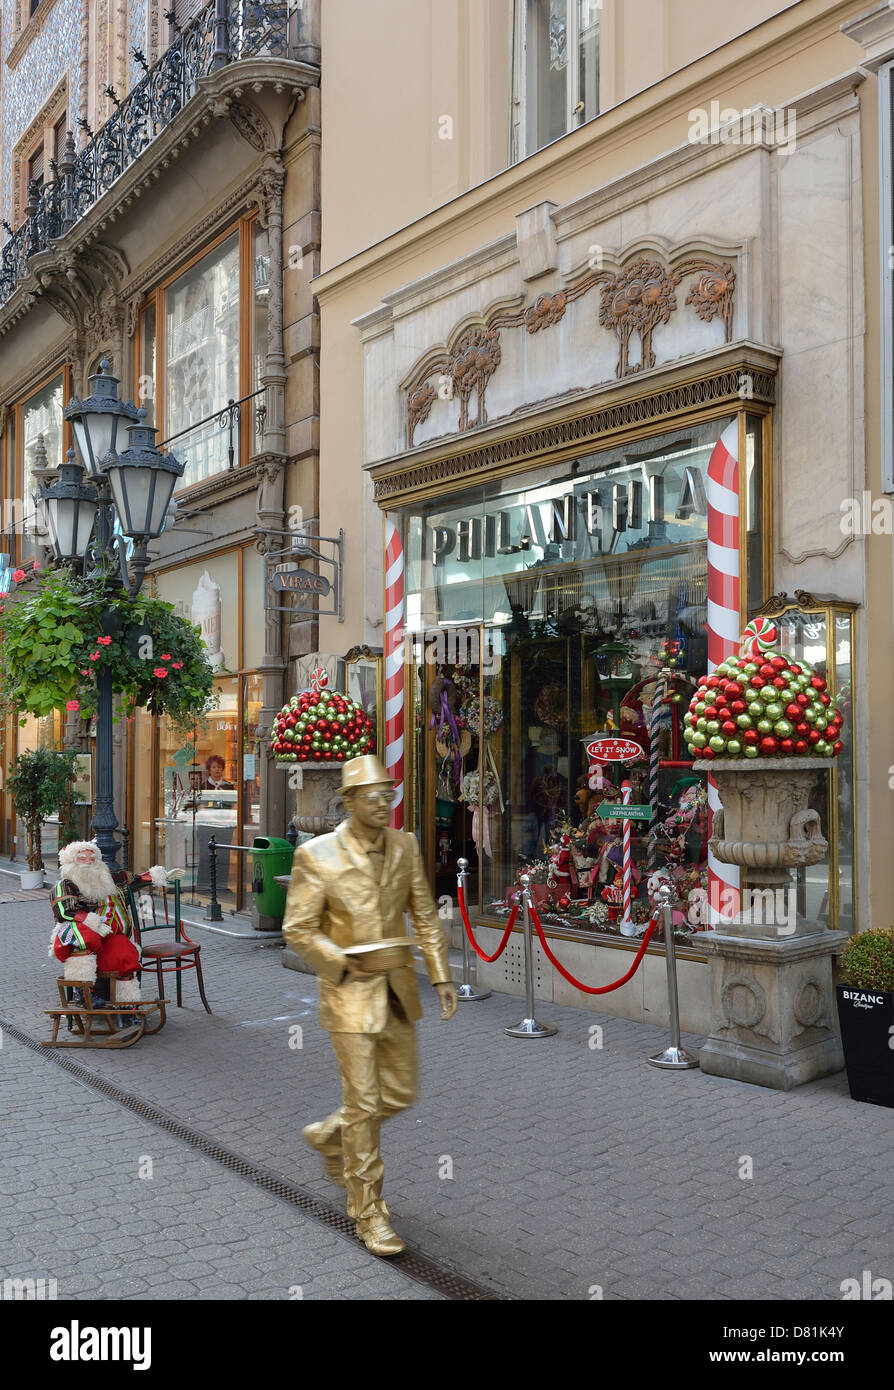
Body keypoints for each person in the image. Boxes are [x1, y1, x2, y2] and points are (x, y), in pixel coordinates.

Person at [282, 754, 458, 1257]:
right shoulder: (317, 855)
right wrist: (339, 963)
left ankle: (327, 1134)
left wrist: (441, 975)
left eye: (389, 794)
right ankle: (369, 1212)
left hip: (398, 989)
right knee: (363, 1106)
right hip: (348, 994)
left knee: (400, 1095)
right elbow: (298, 929)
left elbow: (424, 915)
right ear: (351, 801)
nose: (384, 803)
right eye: (374, 795)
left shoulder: (406, 845)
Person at [49, 841, 169, 1006]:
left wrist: (156, 875)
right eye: (82, 858)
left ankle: (126, 1002)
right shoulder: (65, 885)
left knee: (125, 952)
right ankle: (83, 993)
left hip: (109, 935)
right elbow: (64, 911)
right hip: (73, 936)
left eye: (92, 858)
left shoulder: (110, 878)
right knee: (86, 935)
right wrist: (93, 922)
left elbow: (136, 879)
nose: (88, 862)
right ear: (71, 862)